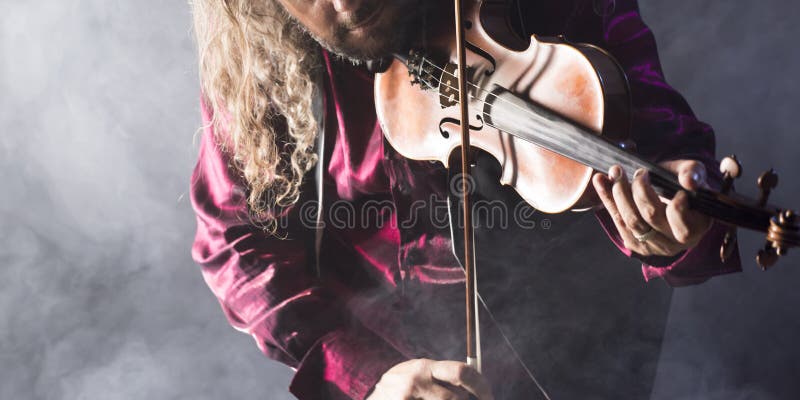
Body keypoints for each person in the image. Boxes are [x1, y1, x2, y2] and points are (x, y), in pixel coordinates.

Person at [189, 0, 742, 399]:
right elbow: (230, 240)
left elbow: (659, 139)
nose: (345, 2)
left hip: (563, 373)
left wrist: (676, 227)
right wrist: (367, 376)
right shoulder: (267, 64)